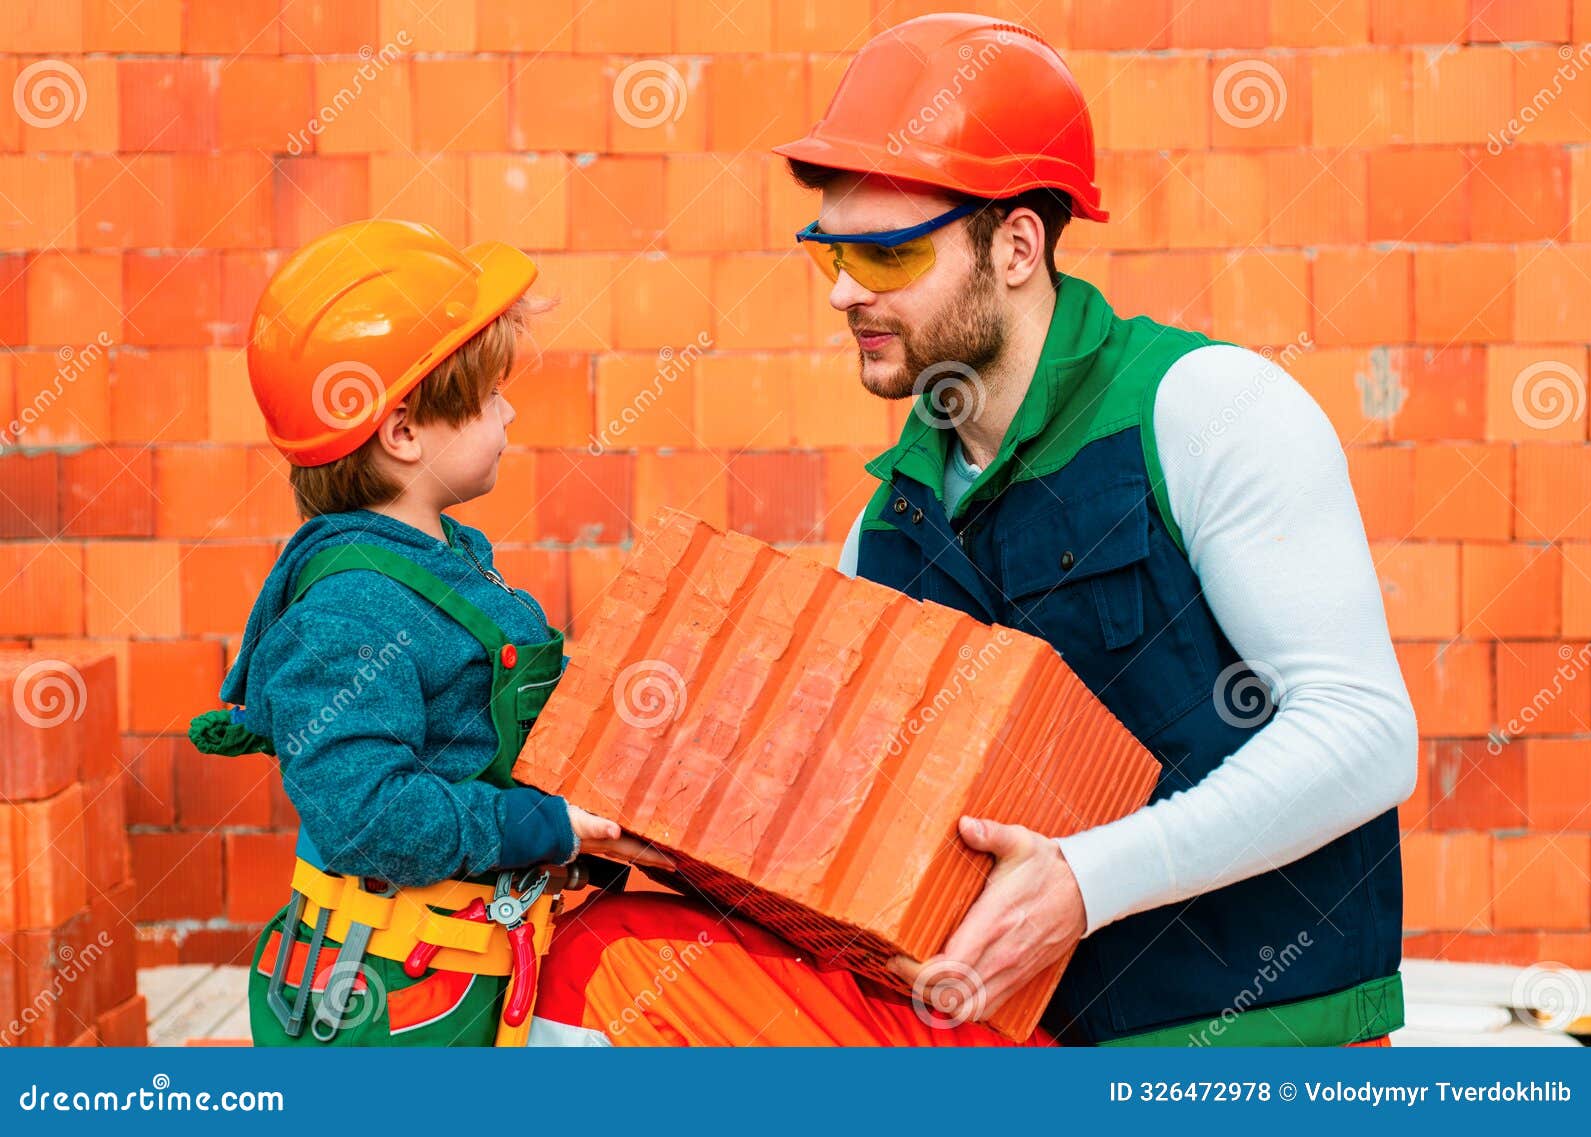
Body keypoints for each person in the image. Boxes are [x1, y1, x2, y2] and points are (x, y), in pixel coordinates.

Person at [530, 12, 1414, 1048]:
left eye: (889, 255)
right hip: (1009, 1044)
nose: (847, 290)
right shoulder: (889, 525)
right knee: (601, 956)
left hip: (1259, 1041)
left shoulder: (1202, 408)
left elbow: (1365, 736)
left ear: (1016, 245)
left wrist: (1085, 883)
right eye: (831, 256)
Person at [189, 218, 666, 1047]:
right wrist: (540, 825)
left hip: (482, 969)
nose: (510, 412)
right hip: (405, 1010)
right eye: (487, 399)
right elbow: (365, 816)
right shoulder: (346, 616)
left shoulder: (443, 559)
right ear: (403, 431)